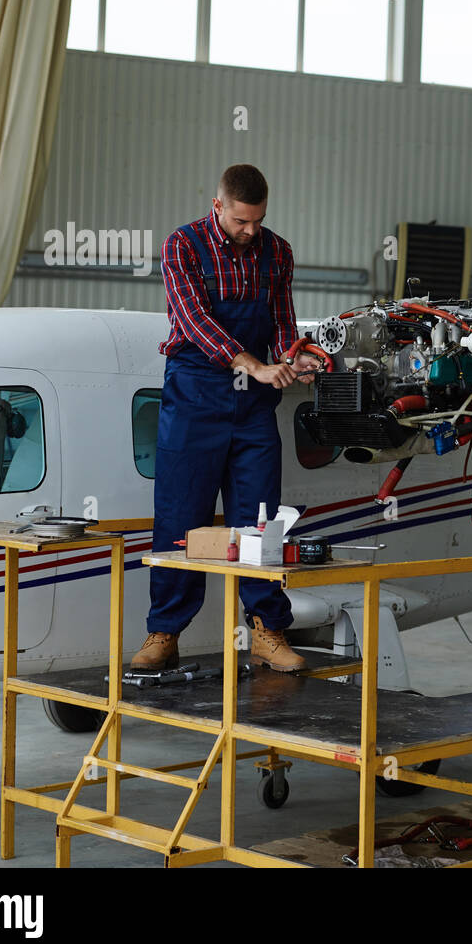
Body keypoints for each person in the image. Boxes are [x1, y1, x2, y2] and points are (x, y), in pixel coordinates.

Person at [132, 164, 319, 672]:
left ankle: (267, 631)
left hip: (254, 405)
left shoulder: (277, 252)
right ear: (218, 206)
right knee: (180, 517)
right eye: (241, 221)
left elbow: (281, 320)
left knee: (260, 520)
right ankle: (163, 633)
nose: (251, 230)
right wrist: (253, 365)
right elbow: (192, 320)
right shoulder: (182, 245)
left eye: (258, 220)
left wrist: (290, 358)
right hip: (196, 395)